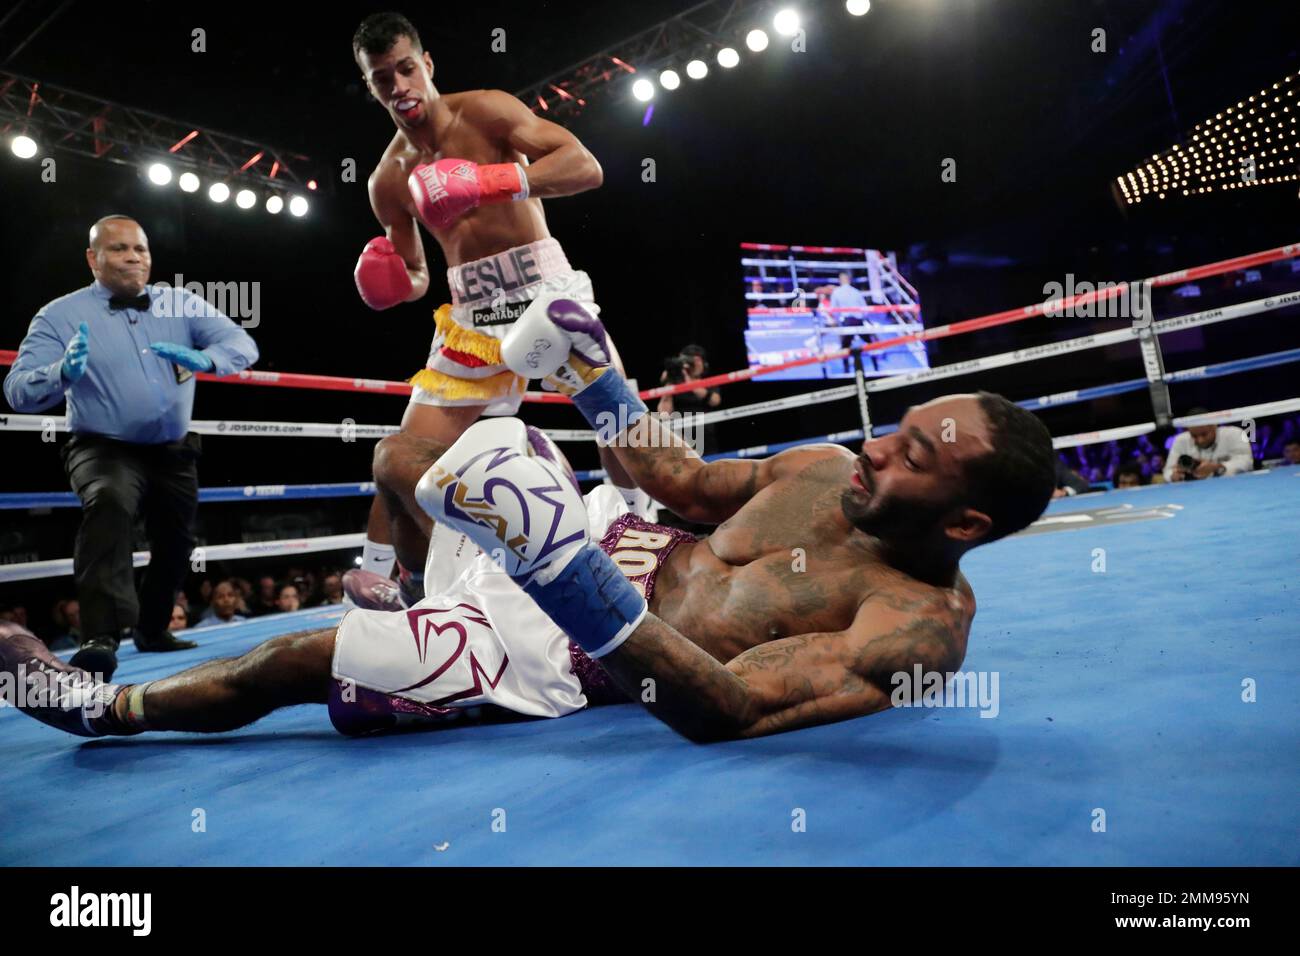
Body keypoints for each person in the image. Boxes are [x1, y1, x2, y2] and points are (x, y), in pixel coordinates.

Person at [1, 298, 1057, 743]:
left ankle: (103, 710)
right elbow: (682, 487)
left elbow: (730, 708)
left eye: (910, 453)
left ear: (965, 521)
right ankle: (425, 587)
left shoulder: (910, 627)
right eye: (896, 427)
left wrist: (567, 579)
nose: (878, 444)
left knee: (298, 656)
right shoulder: (827, 466)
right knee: (406, 454)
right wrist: (599, 380)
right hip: (595, 535)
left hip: (568, 646)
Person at [346, 11, 634, 608]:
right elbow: (419, 276)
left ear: (426, 65)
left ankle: (641, 527)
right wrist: (390, 284)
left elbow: (586, 167)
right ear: (371, 87)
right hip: (472, 310)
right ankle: (388, 582)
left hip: (544, 285)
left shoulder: (486, 110)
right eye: (382, 77)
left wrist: (488, 181)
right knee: (403, 456)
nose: (398, 85)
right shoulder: (387, 180)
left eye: (405, 68)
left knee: (617, 416)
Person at [2, 215, 259, 679]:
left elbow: (243, 344)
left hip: (173, 449)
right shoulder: (59, 315)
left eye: (139, 249)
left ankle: (153, 628)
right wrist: (60, 373)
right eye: (119, 249)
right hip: (103, 446)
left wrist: (210, 359)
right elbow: (16, 389)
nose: (133, 258)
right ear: (92, 258)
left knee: (177, 539)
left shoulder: (181, 302)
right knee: (110, 502)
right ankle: (101, 634)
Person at [1163, 409, 1254, 482]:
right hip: (1196, 492)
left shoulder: (1235, 433)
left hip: (1233, 486)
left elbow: (1247, 462)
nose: (1200, 440)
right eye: (1194, 436)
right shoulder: (1181, 440)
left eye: (1204, 434)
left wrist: (1217, 467)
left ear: (1214, 426)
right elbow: (1167, 471)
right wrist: (1175, 476)